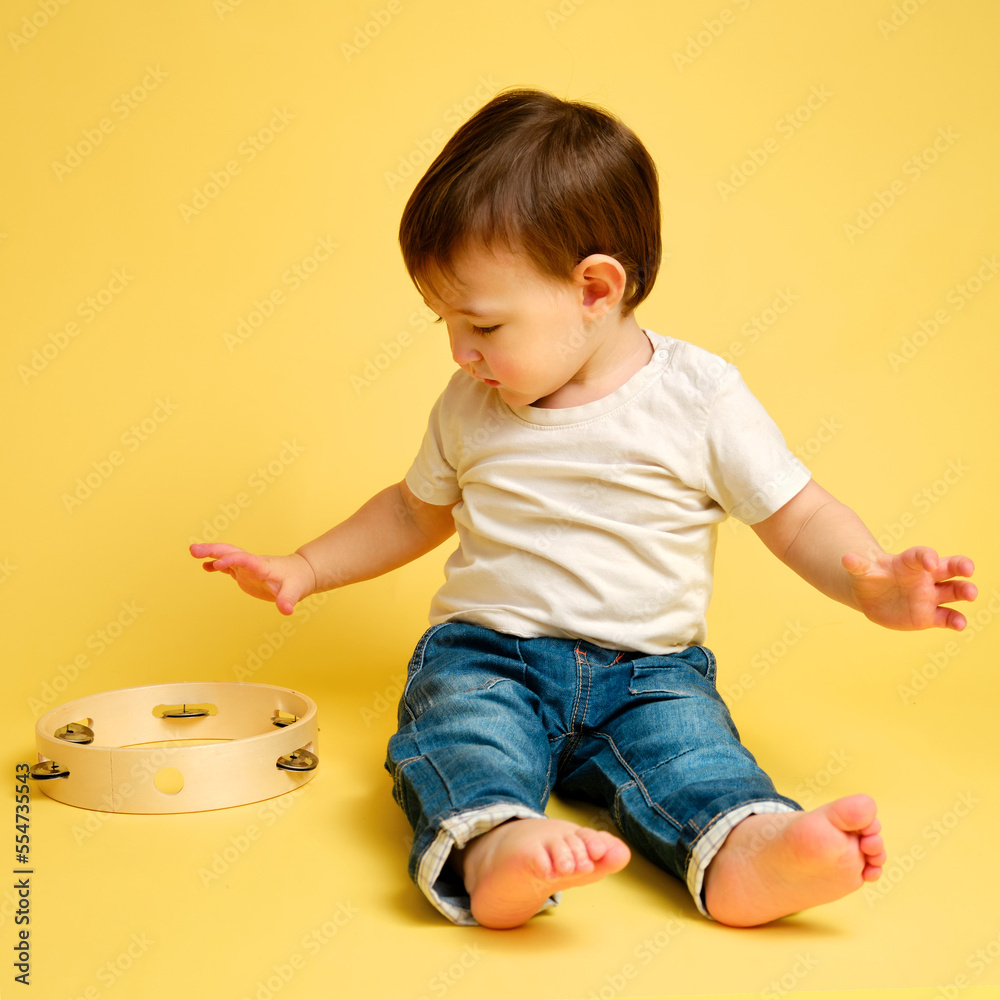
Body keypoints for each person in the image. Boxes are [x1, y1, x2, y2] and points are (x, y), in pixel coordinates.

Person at [190, 88, 977, 931]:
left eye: (483, 324)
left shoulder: (698, 397)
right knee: (458, 737)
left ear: (596, 288)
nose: (460, 351)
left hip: (650, 674)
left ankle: (749, 848)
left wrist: (868, 583)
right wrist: (305, 566)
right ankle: (496, 844)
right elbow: (412, 513)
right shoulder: (469, 405)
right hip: (490, 654)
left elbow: (801, 514)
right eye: (446, 323)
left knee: (694, 757)